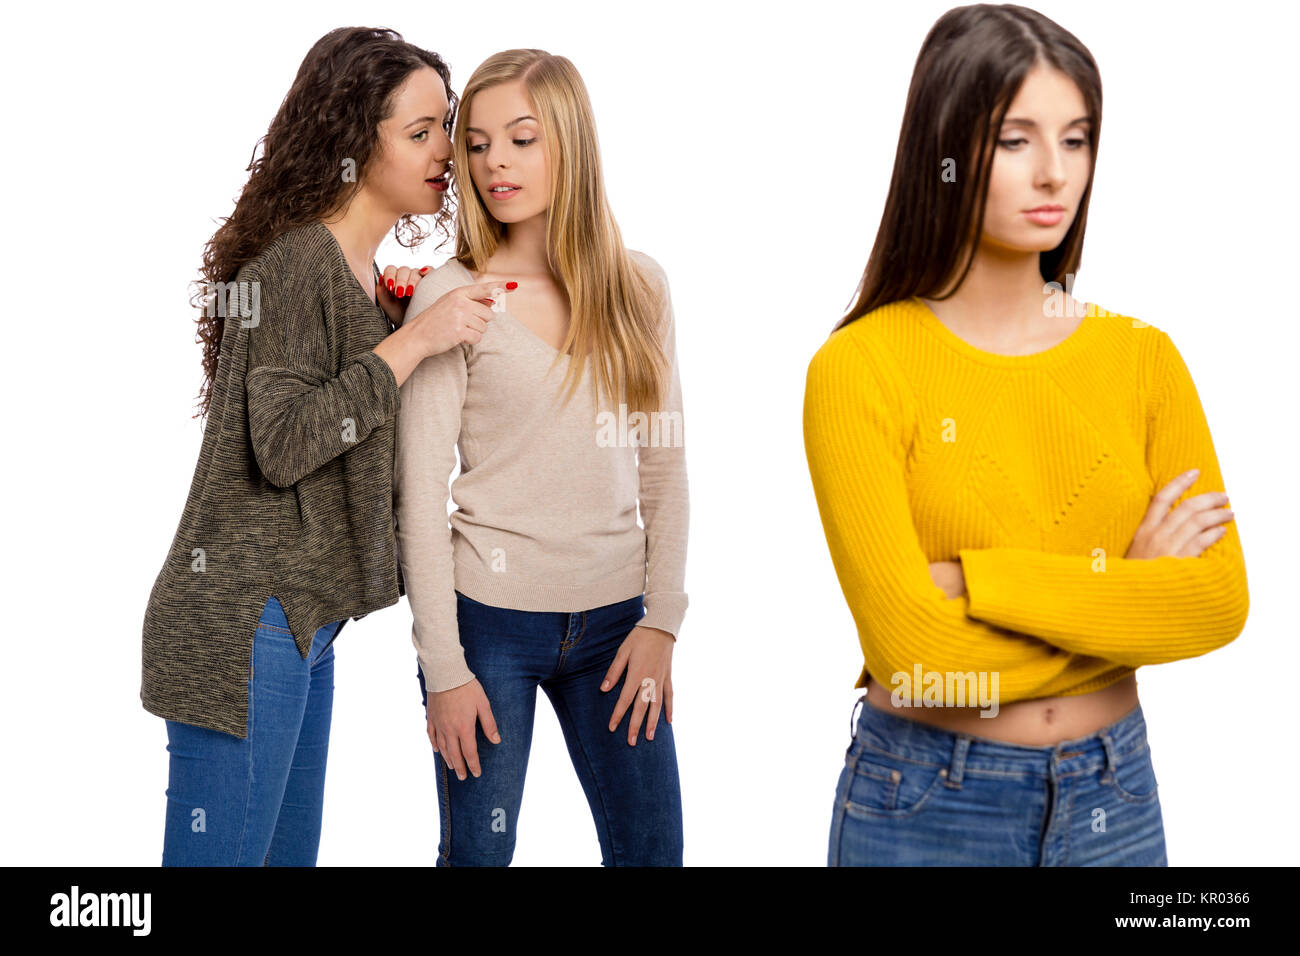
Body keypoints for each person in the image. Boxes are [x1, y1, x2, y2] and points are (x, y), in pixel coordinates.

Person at [802, 4, 1249, 866]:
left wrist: (977, 582)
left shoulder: (1143, 357)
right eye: (1015, 140)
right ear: (945, 151)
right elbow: (913, 652)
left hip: (1115, 796)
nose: (1054, 173)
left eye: (1076, 139)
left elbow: (1217, 603)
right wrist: (1131, 593)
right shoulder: (859, 367)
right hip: (927, 800)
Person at [141, 26, 501, 866]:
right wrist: (411, 344)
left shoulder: (355, 276)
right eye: (421, 133)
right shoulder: (296, 265)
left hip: (302, 624)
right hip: (241, 621)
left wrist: (393, 323)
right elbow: (285, 444)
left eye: (444, 125)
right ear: (351, 143)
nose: (447, 150)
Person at [395, 49, 689, 866]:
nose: (495, 164)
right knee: (478, 857)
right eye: (478, 144)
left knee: (653, 852)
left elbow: (663, 465)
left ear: (569, 143)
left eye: (521, 140)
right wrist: (444, 668)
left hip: (616, 626)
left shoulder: (640, 288)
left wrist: (663, 617)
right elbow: (418, 493)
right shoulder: (454, 297)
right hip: (487, 625)